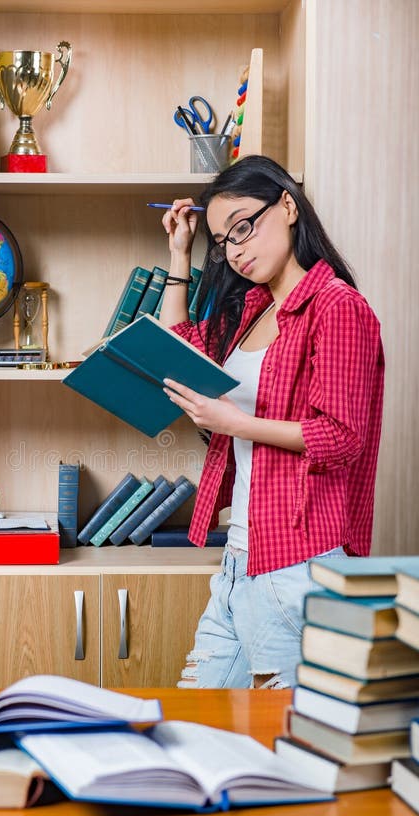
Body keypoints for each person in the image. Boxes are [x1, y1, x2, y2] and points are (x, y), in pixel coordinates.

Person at [158, 154, 384, 690]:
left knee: (279, 747)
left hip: (297, 563)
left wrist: (235, 423)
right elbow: (180, 354)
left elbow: (341, 437)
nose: (235, 249)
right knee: (198, 715)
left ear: (287, 206)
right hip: (240, 557)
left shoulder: (338, 307)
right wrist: (178, 253)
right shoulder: (251, 311)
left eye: (244, 227)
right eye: (223, 240)